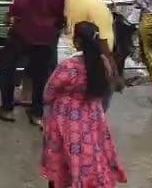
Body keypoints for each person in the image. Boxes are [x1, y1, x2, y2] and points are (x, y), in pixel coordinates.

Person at [41, 22, 127, 188]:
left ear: (77, 41)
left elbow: (49, 92)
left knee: (60, 157)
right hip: (93, 116)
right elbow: (108, 87)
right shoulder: (103, 62)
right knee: (92, 153)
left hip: (66, 118)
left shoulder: (69, 66)